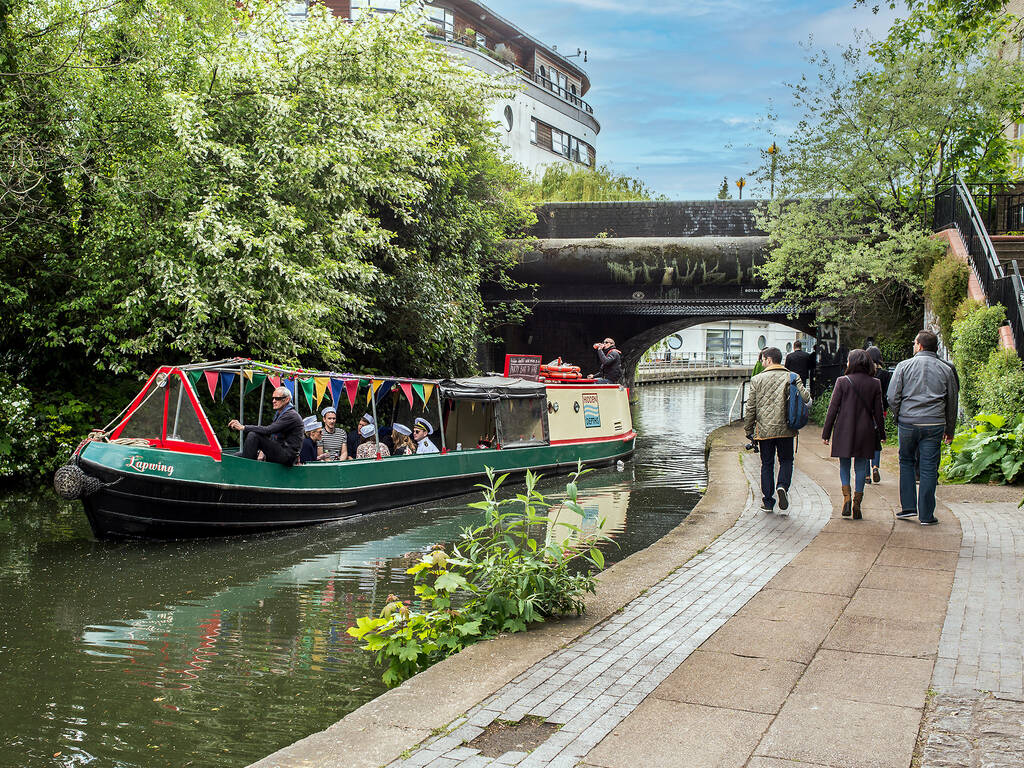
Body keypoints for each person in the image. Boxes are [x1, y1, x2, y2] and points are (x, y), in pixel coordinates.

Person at [887, 330, 959, 526]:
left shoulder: (903, 366)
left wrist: (898, 415)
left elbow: (892, 396)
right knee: (929, 467)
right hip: (934, 423)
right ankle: (927, 515)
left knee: (906, 461)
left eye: (914, 343)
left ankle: (908, 507)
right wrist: (950, 429)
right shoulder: (946, 369)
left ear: (919, 346)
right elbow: (952, 401)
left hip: (908, 422)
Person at [744, 346, 811, 514]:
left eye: (763, 360)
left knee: (767, 464)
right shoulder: (792, 377)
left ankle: (768, 501)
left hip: (764, 430)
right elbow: (806, 398)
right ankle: (782, 486)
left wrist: (748, 429)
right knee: (786, 460)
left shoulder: (757, 379)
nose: (762, 363)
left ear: (769, 360)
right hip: (786, 429)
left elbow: (751, 407)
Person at [821, 350, 885, 520]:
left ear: (852, 362)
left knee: (844, 464)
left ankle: (846, 498)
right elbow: (878, 412)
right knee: (861, 466)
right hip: (866, 430)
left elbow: (833, 409)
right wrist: (882, 433)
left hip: (844, 429)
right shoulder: (875, 383)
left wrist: (826, 433)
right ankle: (857, 502)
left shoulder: (842, 381)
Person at [228, 386, 304, 465]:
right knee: (237, 456)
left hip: (287, 456)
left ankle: (248, 469)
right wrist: (262, 450)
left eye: (277, 398)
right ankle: (246, 466)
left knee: (253, 435)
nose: (273, 401)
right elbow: (272, 436)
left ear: (287, 399)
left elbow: (269, 430)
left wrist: (243, 427)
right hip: (281, 450)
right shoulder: (281, 413)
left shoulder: (291, 415)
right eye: (273, 398)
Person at [866, 346, 891, 484]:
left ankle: (866, 475)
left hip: (865, 411)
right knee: (876, 440)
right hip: (880, 411)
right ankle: (875, 466)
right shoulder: (886, 375)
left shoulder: (866, 373)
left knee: (864, 441)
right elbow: (888, 394)